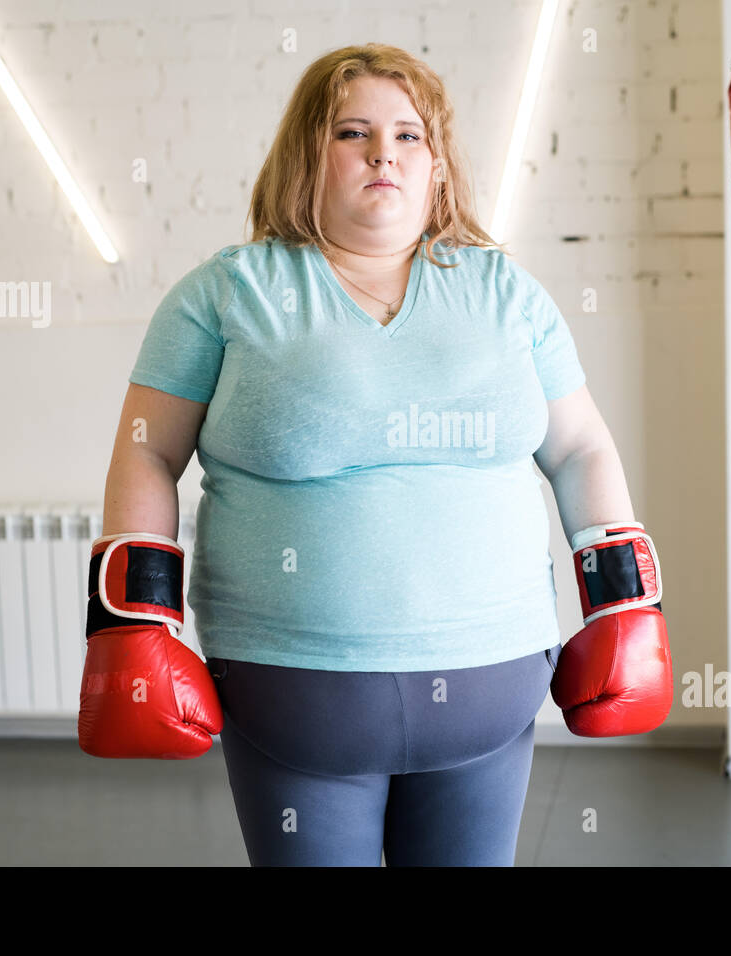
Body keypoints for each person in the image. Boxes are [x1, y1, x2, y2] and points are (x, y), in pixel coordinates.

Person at [79, 43, 672, 866]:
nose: (384, 153)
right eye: (353, 132)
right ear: (305, 158)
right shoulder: (225, 294)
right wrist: (132, 622)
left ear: (436, 168)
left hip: (490, 693)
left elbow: (578, 447)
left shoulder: (507, 293)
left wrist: (624, 605)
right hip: (295, 695)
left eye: (409, 136)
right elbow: (147, 453)